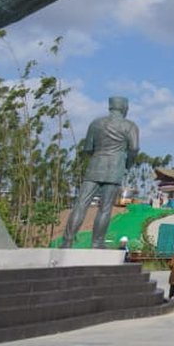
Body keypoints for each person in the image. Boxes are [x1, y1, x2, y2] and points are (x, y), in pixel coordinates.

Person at [61, 96, 139, 248]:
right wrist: (127, 165)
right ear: (124, 108)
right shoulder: (130, 126)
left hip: (95, 166)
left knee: (80, 204)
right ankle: (97, 243)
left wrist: (98, 158)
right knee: (105, 208)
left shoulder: (96, 124)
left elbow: (88, 148)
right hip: (114, 169)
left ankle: (67, 241)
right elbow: (134, 148)